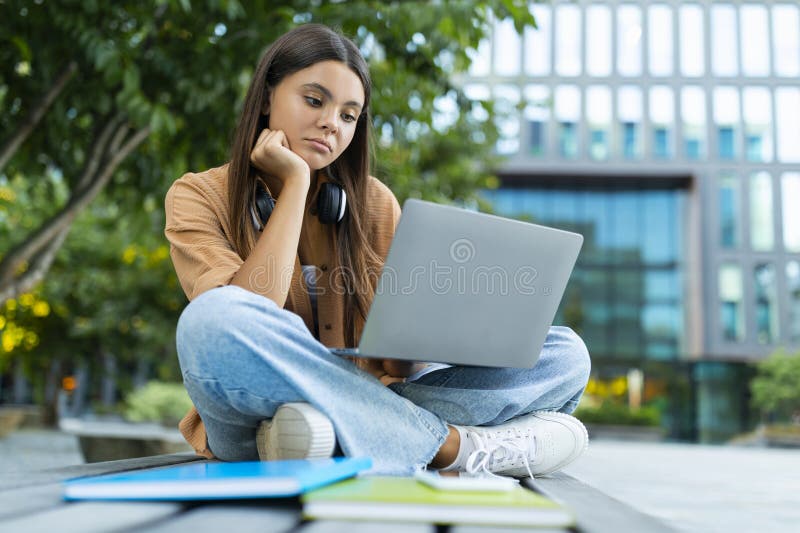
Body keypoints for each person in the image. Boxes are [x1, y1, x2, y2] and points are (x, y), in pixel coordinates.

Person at [165, 24, 591, 478]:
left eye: (349, 116)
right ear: (268, 97)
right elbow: (252, 307)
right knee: (211, 322)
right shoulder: (197, 195)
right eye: (314, 101)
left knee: (565, 352)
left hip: (380, 398)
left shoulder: (372, 202)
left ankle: (319, 436)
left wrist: (422, 336)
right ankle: (455, 447)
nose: (332, 122)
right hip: (249, 413)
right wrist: (295, 184)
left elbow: (395, 366)